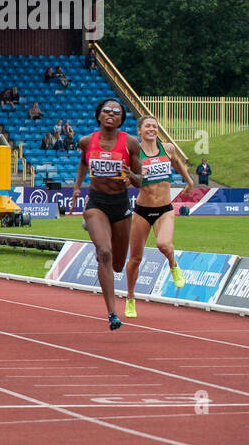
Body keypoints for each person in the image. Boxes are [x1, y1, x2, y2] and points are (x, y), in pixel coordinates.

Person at [69, 98, 144, 330]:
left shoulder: (131, 144)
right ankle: (112, 313)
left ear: (121, 118)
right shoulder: (86, 141)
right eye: (106, 110)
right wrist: (76, 187)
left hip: (120, 205)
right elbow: (83, 163)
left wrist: (130, 175)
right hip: (96, 203)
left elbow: (141, 181)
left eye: (116, 112)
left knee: (118, 264)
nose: (111, 114)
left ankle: (103, 248)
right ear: (99, 115)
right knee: (104, 252)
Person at [124, 116, 195, 318]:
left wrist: (189, 181)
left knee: (164, 244)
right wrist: (137, 175)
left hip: (165, 209)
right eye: (148, 126)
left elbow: (178, 164)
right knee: (135, 259)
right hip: (142, 211)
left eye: (154, 126)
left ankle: (173, 264)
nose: (152, 129)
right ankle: (130, 298)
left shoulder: (168, 149)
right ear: (139, 130)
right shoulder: (134, 154)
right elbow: (126, 182)